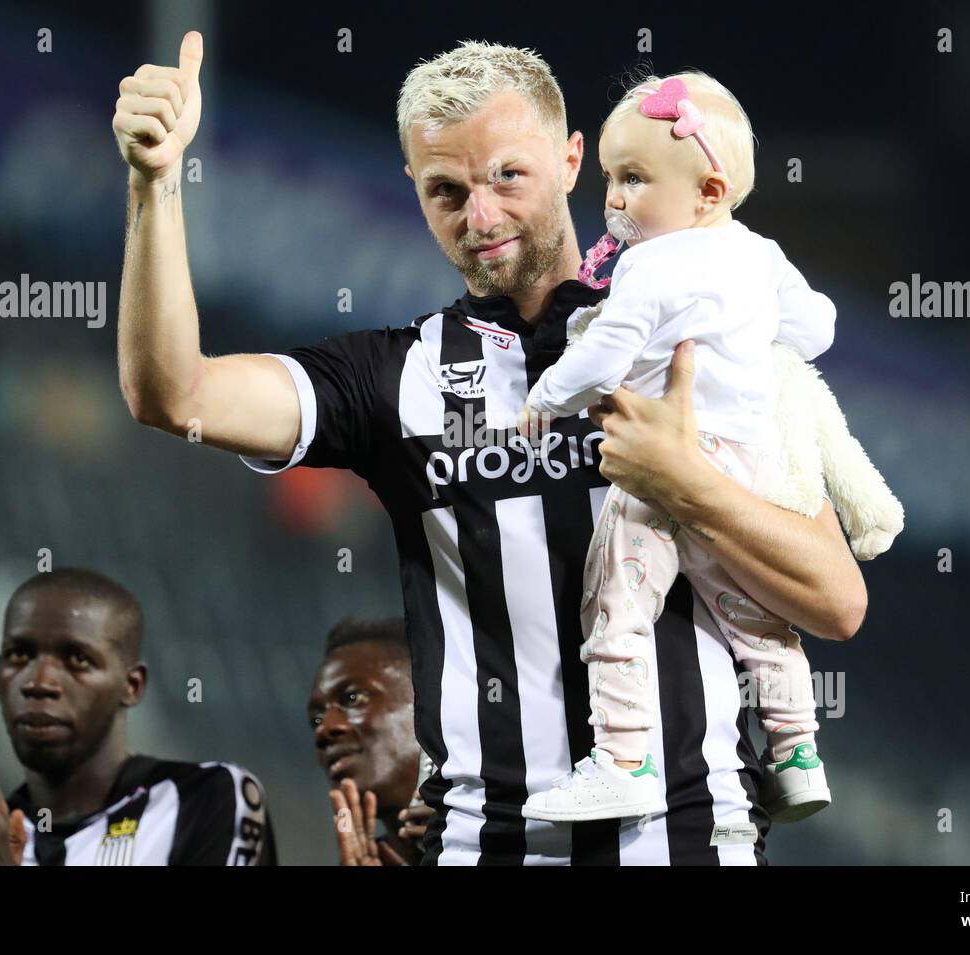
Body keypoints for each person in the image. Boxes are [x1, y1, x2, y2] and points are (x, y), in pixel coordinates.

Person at [113, 34, 866, 864]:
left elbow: (836, 600)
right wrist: (155, 184)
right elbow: (173, 395)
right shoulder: (394, 376)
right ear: (415, 189)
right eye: (446, 190)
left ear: (575, 159)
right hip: (488, 844)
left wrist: (687, 483)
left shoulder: (701, 337)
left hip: (692, 838)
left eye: (509, 174)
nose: (481, 216)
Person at [517, 72, 850, 823]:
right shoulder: (759, 254)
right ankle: (798, 755)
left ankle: (623, 757)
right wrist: (751, 341)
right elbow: (818, 327)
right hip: (754, 472)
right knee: (757, 619)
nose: (613, 199)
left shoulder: (649, 265)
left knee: (617, 601)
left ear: (708, 189)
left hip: (667, 471)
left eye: (633, 179)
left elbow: (604, 356)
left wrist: (543, 399)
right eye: (609, 177)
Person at [0, 568, 276, 865]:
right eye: (19, 655)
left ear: (132, 685)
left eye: (77, 659)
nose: (39, 682)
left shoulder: (206, 800)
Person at [309, 616, 432, 865]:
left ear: (431, 700)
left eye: (352, 698)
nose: (324, 730)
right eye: (316, 720)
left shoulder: (523, 833)